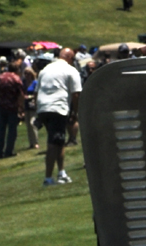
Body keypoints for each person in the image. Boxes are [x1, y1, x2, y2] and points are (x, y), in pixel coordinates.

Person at [36, 48, 81, 186]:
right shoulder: (70, 70)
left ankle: (62, 172)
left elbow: (37, 91)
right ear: (70, 58)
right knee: (52, 143)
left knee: (59, 141)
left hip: (43, 107)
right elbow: (76, 94)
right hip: (57, 107)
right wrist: (75, 112)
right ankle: (48, 178)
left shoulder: (45, 69)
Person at [0, 59, 23, 158]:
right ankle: (8, 151)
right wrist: (21, 107)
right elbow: (20, 94)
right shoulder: (16, 78)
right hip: (12, 107)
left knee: (1, 129)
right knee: (12, 130)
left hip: (2, 105)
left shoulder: (1, 76)